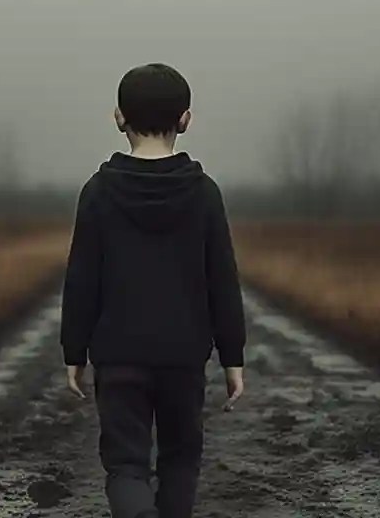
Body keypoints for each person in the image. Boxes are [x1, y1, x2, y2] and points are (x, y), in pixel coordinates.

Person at [60, 63, 247, 518]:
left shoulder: (98, 192)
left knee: (125, 463)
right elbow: (221, 277)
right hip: (183, 356)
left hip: (118, 354)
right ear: (185, 119)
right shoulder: (204, 193)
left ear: (119, 117)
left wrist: (74, 351)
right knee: (181, 458)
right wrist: (232, 357)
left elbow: (82, 276)